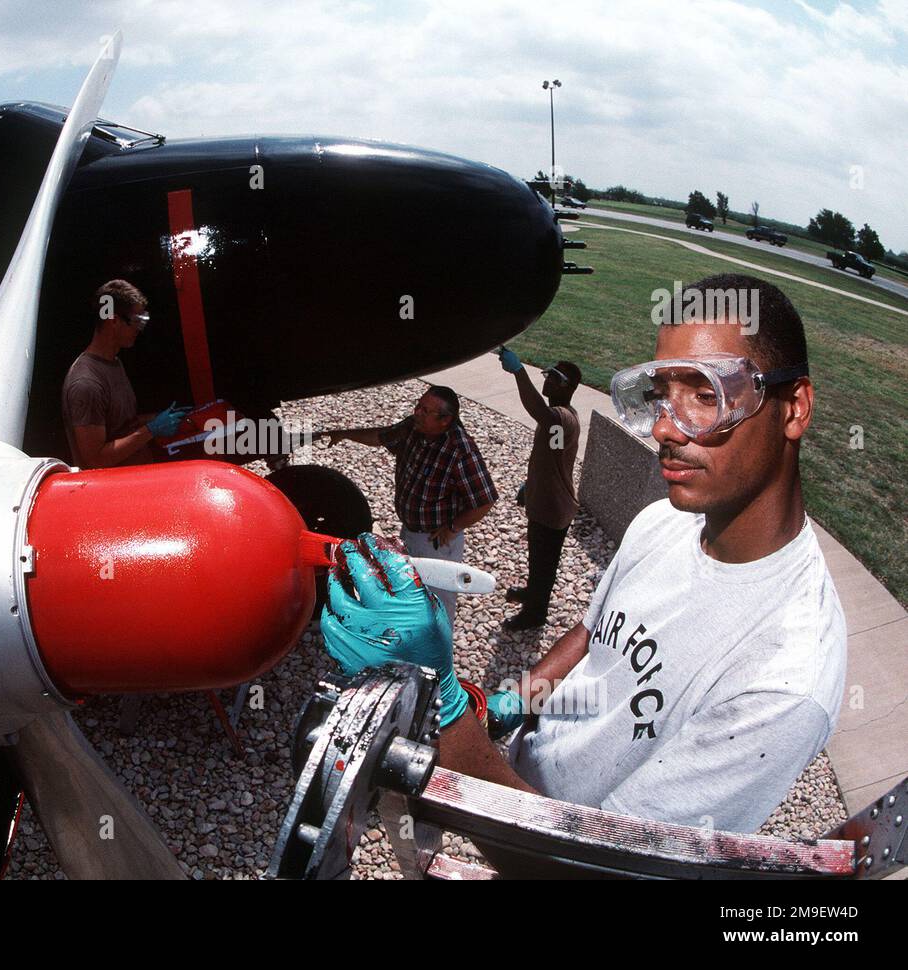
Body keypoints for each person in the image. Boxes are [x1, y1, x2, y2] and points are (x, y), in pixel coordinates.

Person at [323, 275, 846, 834]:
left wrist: (444, 709)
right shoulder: (663, 520)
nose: (666, 428)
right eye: (661, 395)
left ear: (794, 407)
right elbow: (591, 633)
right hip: (520, 776)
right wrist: (516, 702)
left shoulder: (783, 680)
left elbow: (592, 866)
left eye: (704, 393)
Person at [322, 386, 497, 626]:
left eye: (426, 411)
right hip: (410, 531)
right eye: (419, 406)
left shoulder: (460, 450)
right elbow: (381, 437)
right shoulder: (414, 428)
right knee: (411, 588)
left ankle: (437, 648)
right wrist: (345, 434)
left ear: (445, 420)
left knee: (437, 597)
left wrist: (453, 527)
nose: (417, 412)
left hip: (436, 541)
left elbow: (485, 500)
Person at [496, 349, 582, 630]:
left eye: (554, 378)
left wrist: (519, 372)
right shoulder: (558, 419)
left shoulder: (559, 417)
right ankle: (533, 594)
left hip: (553, 508)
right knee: (538, 558)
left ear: (567, 387)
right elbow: (552, 457)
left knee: (545, 565)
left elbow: (538, 411)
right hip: (544, 500)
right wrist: (531, 483)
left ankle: (535, 615)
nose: (547, 380)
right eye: (548, 374)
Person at [61, 279, 190, 468]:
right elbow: (95, 459)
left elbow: (122, 424)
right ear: (113, 320)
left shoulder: (114, 362)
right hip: (117, 489)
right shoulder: (86, 383)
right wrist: (151, 430)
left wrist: (160, 418)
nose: (139, 329)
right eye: (136, 321)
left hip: (137, 472)